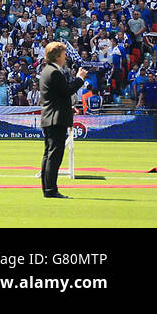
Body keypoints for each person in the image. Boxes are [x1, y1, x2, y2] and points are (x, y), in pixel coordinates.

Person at [39, 41, 87, 199]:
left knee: (49, 155)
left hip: (50, 117)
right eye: (64, 54)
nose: (66, 57)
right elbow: (67, 91)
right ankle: (51, 190)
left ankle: (48, 189)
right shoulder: (54, 72)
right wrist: (79, 79)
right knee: (54, 155)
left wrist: (68, 107)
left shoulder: (47, 70)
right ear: (58, 56)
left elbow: (57, 95)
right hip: (56, 119)